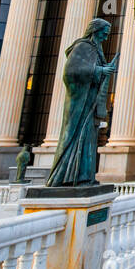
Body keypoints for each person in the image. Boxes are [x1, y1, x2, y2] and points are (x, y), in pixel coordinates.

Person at [47, 18, 118, 188]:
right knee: (74, 133)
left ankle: (83, 176)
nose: (106, 38)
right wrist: (100, 70)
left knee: (88, 137)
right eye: (104, 33)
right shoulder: (83, 47)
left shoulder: (95, 50)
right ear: (95, 31)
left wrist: (102, 71)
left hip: (89, 103)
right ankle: (64, 176)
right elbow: (70, 72)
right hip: (79, 102)